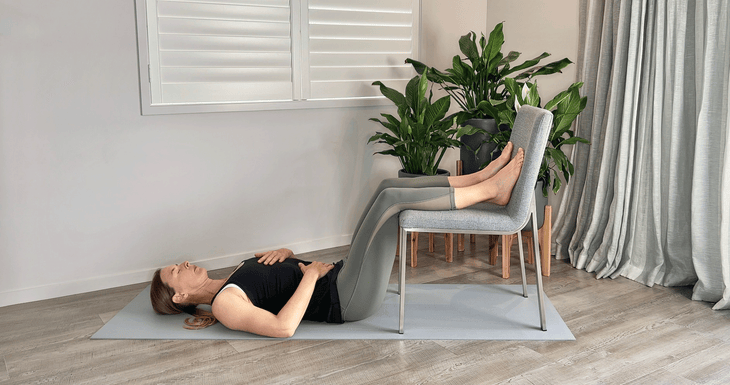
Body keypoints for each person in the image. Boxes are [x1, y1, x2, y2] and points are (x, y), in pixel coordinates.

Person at [150, 143, 525, 337]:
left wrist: (288, 255)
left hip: (340, 278)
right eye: (175, 271)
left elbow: (277, 284)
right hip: (346, 299)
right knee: (393, 202)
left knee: (386, 186)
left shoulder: (230, 279)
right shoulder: (223, 306)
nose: (183, 263)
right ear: (179, 296)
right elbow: (283, 328)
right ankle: (491, 189)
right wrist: (310, 275)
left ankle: (481, 177)